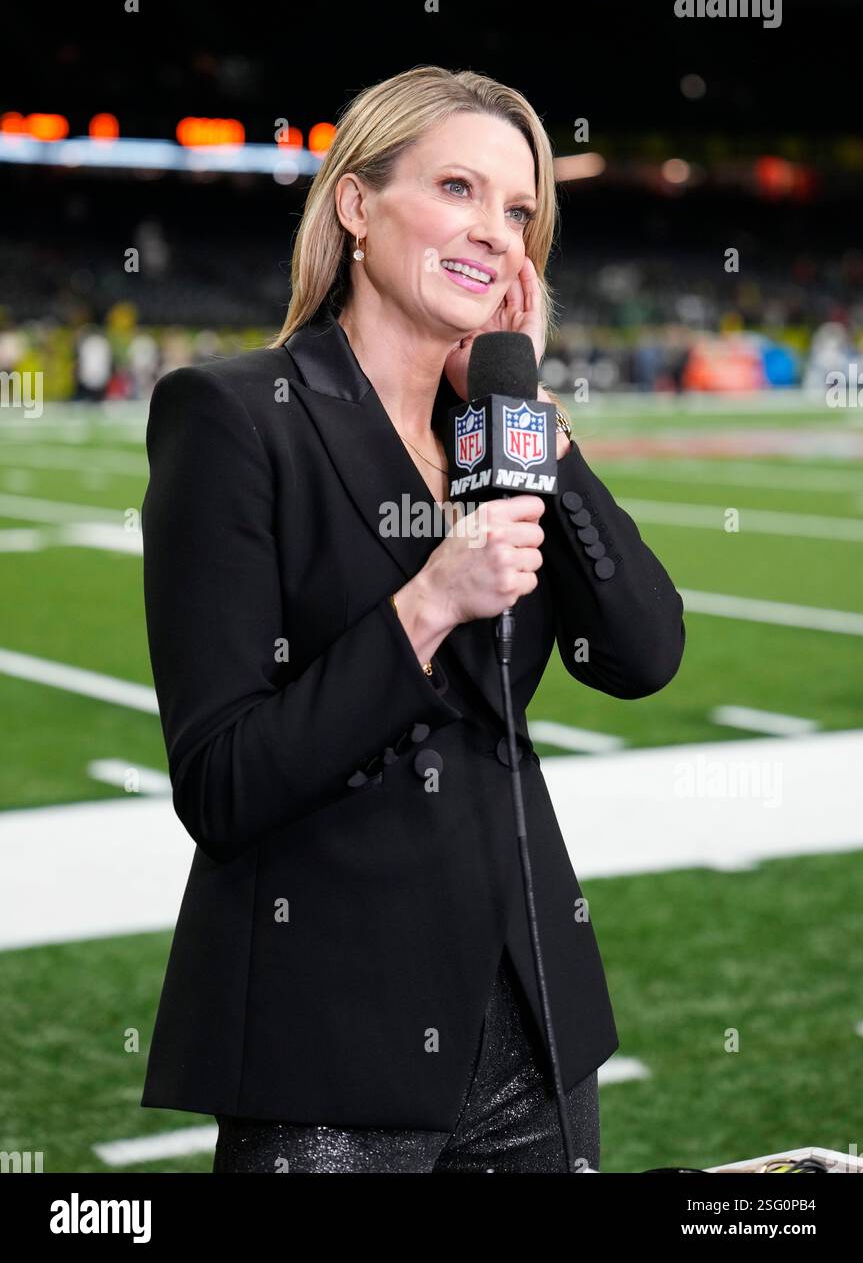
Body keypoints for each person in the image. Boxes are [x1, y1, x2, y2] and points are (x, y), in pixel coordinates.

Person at [139, 65, 686, 1172]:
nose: (495, 232)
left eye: (519, 209)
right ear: (354, 204)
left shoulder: (496, 428)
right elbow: (223, 781)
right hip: (330, 1047)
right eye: (456, 188)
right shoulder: (234, 416)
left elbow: (641, 652)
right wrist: (428, 602)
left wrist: (523, 413)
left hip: (535, 1022)